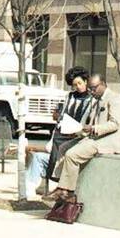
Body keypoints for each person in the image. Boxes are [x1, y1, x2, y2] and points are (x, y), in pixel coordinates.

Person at [53, 75, 120, 199]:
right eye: (90, 89)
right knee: (63, 147)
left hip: (108, 141)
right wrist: (78, 131)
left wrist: (94, 128)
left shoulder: (115, 99)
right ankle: (60, 186)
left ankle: (68, 192)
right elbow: (90, 122)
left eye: (94, 88)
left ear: (103, 84)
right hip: (94, 138)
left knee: (72, 154)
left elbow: (114, 124)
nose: (92, 92)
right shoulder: (97, 101)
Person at [27, 66, 94, 195]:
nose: (77, 87)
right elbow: (61, 113)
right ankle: (49, 180)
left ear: (85, 81)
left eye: (79, 83)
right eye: (74, 85)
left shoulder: (91, 100)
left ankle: (60, 184)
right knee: (54, 145)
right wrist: (59, 116)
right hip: (64, 131)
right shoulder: (70, 96)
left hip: (78, 135)